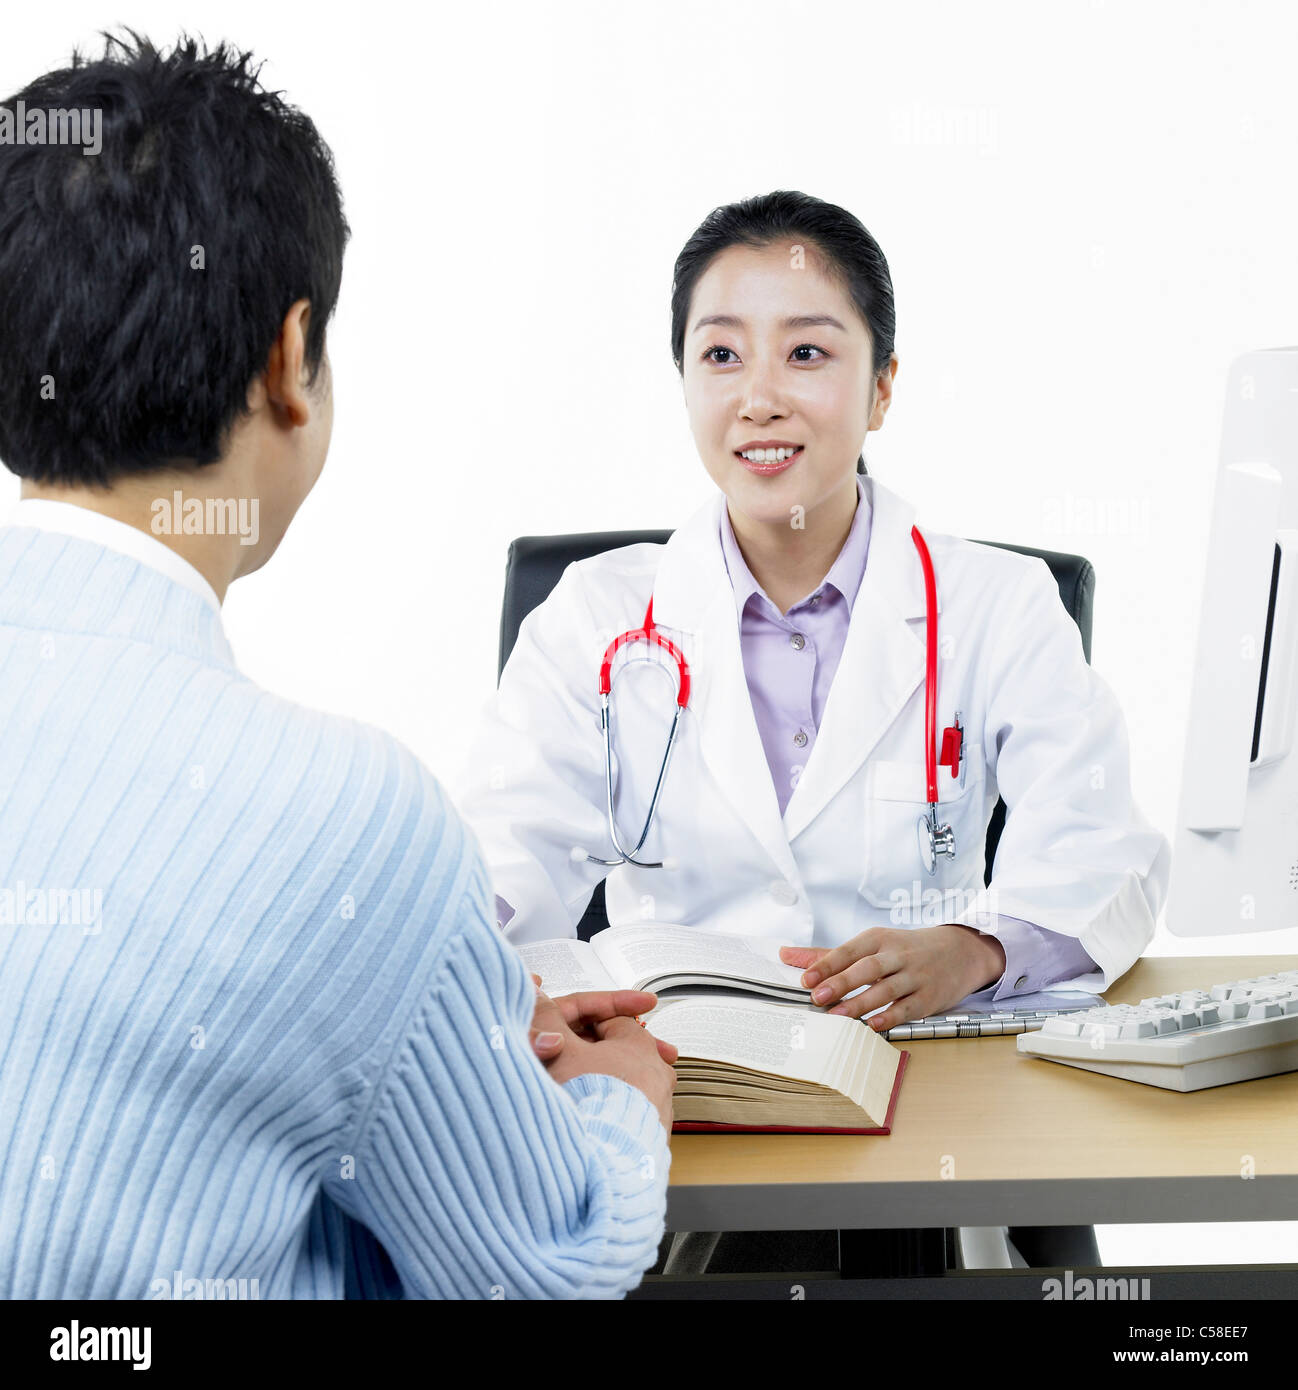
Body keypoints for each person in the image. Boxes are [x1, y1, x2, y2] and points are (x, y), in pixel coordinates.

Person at [0, 31, 674, 1300]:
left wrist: (436, 1037)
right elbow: (540, 1269)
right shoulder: (341, 817)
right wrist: (616, 1100)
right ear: (287, 359)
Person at [452, 189, 1171, 1271]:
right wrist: (477, 963)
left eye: (806, 353)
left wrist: (976, 948)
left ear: (881, 388)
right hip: (681, 1103)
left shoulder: (998, 606)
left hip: (922, 1098)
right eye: (720, 355)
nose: (758, 398)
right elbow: (502, 858)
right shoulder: (593, 618)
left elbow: (1102, 849)